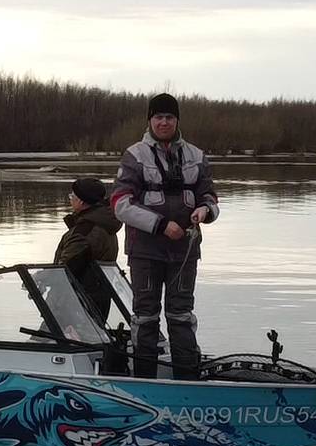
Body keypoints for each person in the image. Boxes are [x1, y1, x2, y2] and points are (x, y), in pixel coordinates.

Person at [110, 93, 218, 379]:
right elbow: (120, 204)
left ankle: (188, 380)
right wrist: (160, 225)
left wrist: (205, 210)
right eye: (158, 117)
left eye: (169, 117)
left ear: (177, 121)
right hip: (145, 252)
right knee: (145, 317)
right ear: (150, 120)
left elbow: (209, 196)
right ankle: (145, 380)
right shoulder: (134, 155)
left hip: (184, 251)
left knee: (181, 316)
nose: (164, 122)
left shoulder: (197, 156)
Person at [54, 175, 121, 323]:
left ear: (81, 201)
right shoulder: (106, 226)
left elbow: (65, 269)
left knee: (48, 335)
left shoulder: (85, 231)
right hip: (99, 300)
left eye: (72, 196)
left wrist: (41, 277)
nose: (70, 199)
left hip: (76, 302)